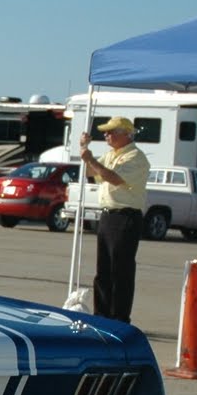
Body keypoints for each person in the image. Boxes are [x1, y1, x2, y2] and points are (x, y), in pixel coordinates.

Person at [79, 116, 150, 323]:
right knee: (103, 270)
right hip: (108, 215)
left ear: (126, 134)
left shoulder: (135, 157)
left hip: (125, 216)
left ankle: (119, 317)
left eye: (111, 132)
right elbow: (94, 174)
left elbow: (115, 178)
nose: (106, 135)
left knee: (121, 270)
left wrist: (90, 159)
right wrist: (85, 152)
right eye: (106, 132)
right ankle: (101, 314)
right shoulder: (111, 154)